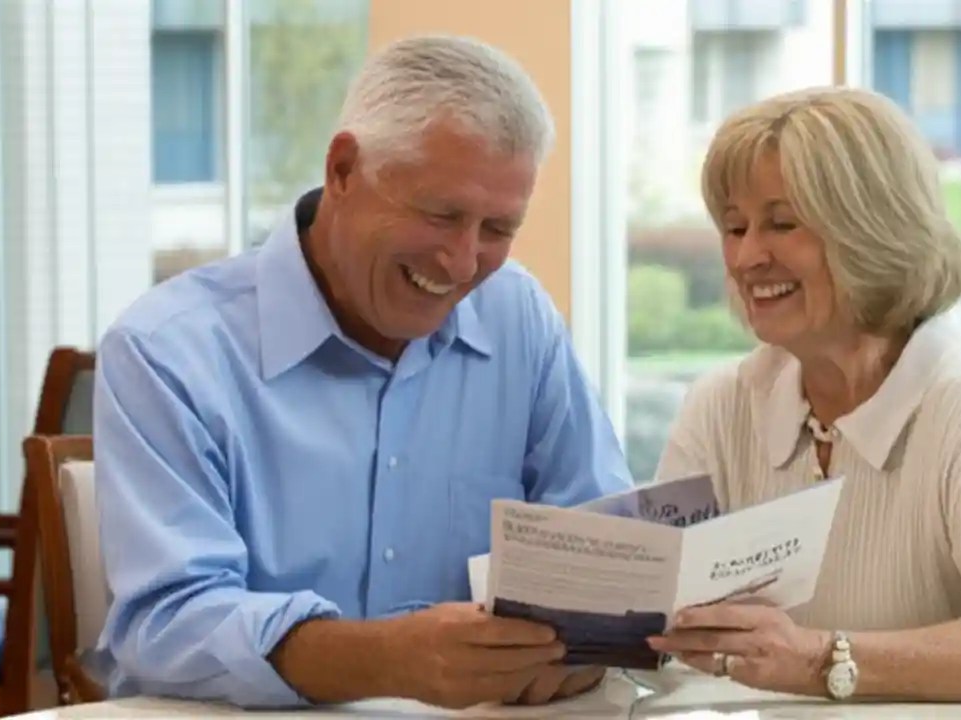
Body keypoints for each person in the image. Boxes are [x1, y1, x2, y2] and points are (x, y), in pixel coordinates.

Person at [93, 36, 630, 710]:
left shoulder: (517, 314)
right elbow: (167, 624)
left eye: (497, 228)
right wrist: (386, 661)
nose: (463, 263)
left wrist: (587, 646)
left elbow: (604, 545)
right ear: (344, 169)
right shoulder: (167, 351)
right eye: (442, 214)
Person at [645, 87, 961, 705]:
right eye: (734, 226)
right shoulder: (722, 404)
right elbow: (659, 630)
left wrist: (816, 659)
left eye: (782, 223)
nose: (748, 255)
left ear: (871, 230)